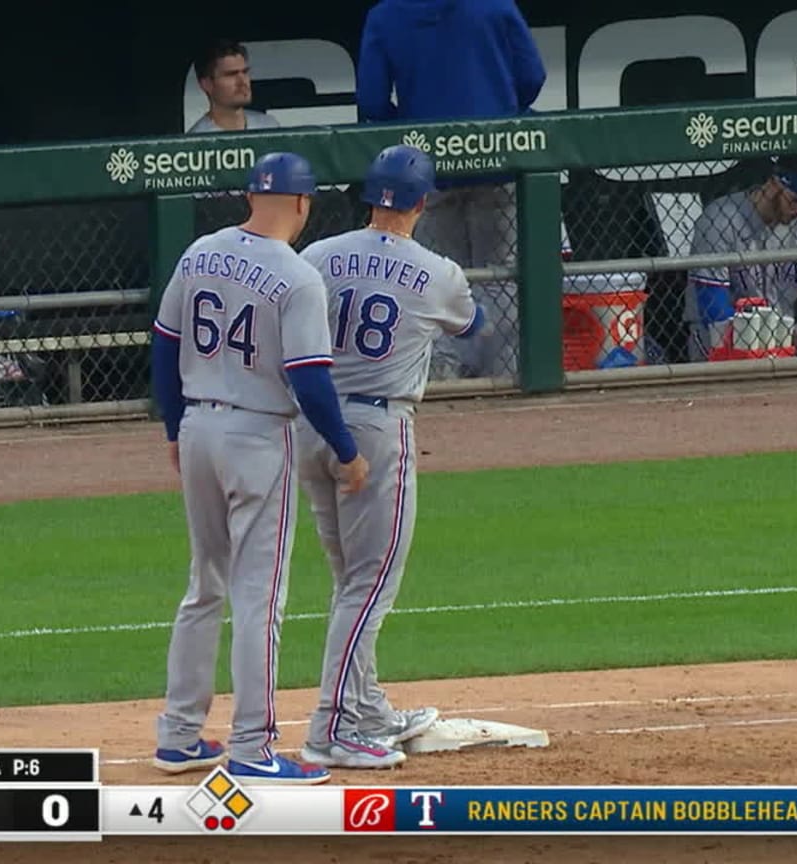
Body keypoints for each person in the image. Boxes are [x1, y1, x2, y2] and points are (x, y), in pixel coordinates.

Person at [149, 151, 369, 786]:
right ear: (303, 204)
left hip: (197, 427)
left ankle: (179, 735)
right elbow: (310, 380)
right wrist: (347, 451)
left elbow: (165, 347)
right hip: (256, 436)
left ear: (251, 196)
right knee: (257, 597)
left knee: (203, 585)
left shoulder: (199, 252)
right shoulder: (297, 276)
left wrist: (173, 428)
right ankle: (253, 746)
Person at [294, 144, 482, 769]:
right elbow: (470, 324)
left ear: (370, 195)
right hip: (377, 428)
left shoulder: (317, 255)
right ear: (423, 203)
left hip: (312, 421)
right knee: (368, 586)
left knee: (349, 579)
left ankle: (368, 707)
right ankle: (334, 729)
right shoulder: (438, 271)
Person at [355, 0, 545, 380]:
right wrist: (498, 112)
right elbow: (532, 77)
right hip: (497, 159)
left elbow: (373, 101)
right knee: (502, 279)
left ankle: (443, 377)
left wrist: (414, 125)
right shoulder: (494, 5)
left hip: (427, 173)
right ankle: (505, 377)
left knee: (434, 279)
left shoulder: (388, 14)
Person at [686, 158, 797, 361]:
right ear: (772, 185)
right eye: (795, 201)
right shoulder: (719, 219)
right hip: (720, 340)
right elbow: (712, 305)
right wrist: (754, 342)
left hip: (780, 340)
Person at [186, 39, 281, 134]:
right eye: (231, 74)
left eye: (245, 72)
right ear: (206, 84)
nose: (242, 81)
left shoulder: (268, 126)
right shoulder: (197, 140)